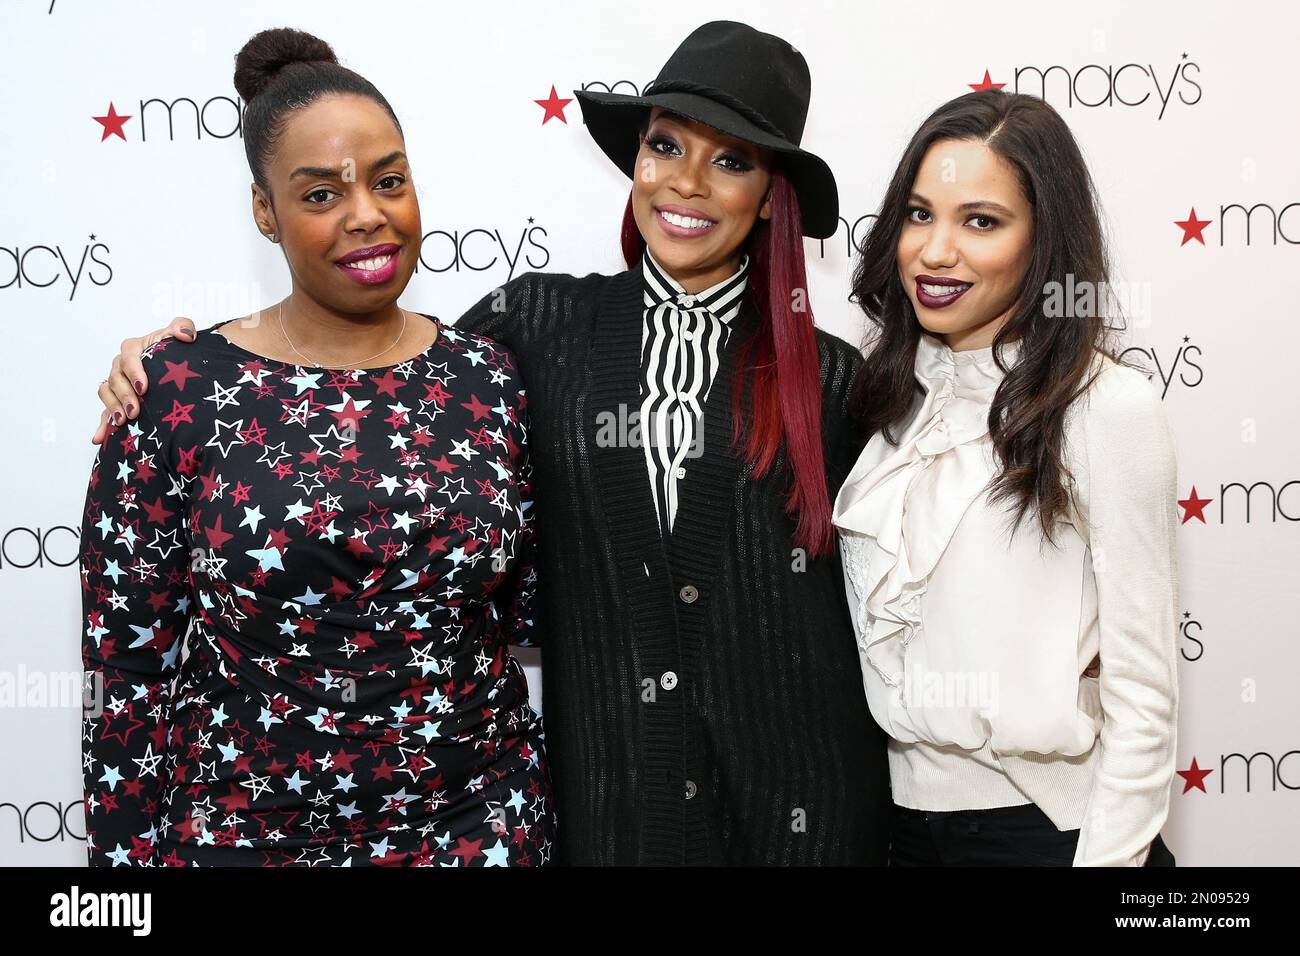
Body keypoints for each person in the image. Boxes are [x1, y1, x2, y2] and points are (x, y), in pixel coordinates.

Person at [88, 21, 891, 865]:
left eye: (732, 160)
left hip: (747, 815)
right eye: (665, 145)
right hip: (570, 818)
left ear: (772, 193)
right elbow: (367, 382)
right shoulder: (530, 332)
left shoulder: (830, 381)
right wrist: (172, 360)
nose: (688, 182)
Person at [78, 27, 553, 866]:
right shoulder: (176, 389)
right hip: (244, 838)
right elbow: (126, 672)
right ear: (265, 212)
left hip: (478, 832)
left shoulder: (489, 376)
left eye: (388, 181)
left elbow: (535, 612)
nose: (367, 214)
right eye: (320, 194)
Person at [835, 89, 1179, 866]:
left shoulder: (1105, 408)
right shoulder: (887, 401)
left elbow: (1144, 690)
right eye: (920, 214)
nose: (935, 250)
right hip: (899, 830)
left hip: (1049, 835)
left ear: (1042, 241)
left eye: (980, 221)